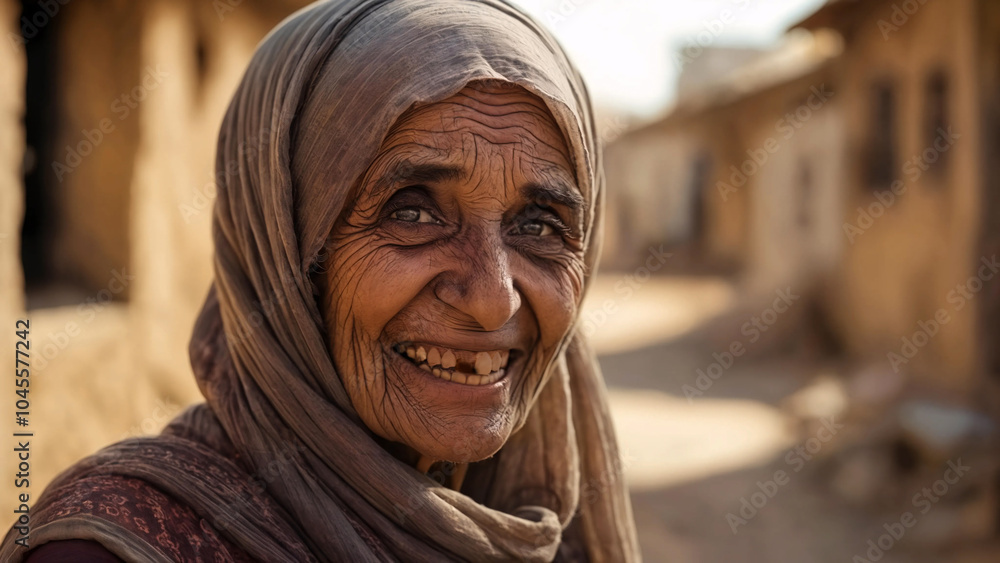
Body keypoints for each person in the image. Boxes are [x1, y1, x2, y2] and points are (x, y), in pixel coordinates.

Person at [2, 0, 640, 560]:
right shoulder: (112, 549)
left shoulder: (541, 521)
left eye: (540, 225)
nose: (493, 296)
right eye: (411, 212)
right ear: (281, 249)